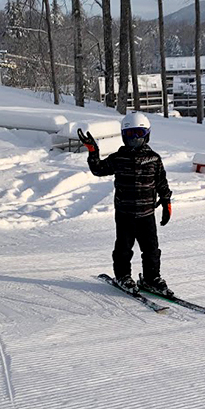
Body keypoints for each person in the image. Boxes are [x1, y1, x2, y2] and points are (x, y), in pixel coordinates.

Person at [78, 112, 173, 296]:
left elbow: (161, 182)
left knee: (151, 250)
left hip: (147, 214)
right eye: (130, 134)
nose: (134, 139)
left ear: (146, 134)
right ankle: (123, 276)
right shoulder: (118, 158)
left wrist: (166, 202)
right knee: (123, 248)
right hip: (125, 214)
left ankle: (151, 278)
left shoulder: (154, 159)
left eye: (138, 133)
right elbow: (98, 169)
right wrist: (93, 151)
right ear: (123, 136)